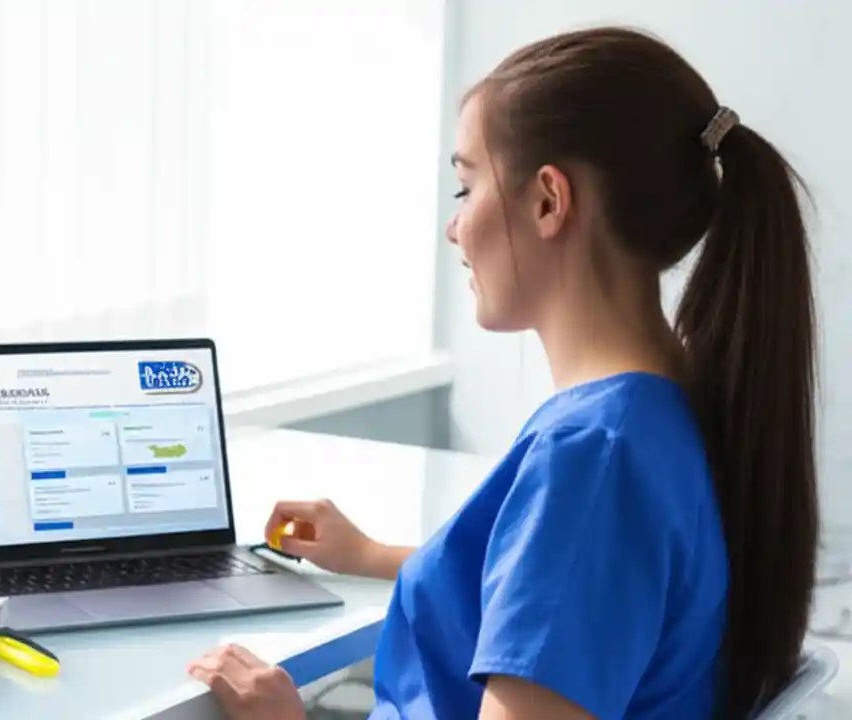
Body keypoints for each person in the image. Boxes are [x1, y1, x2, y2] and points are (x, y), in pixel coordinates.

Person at [187, 26, 818, 720]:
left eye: (466, 186)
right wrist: (369, 553)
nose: (455, 229)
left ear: (549, 200)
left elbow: (569, 564)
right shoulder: (669, 405)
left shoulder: (594, 460)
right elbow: (566, 591)